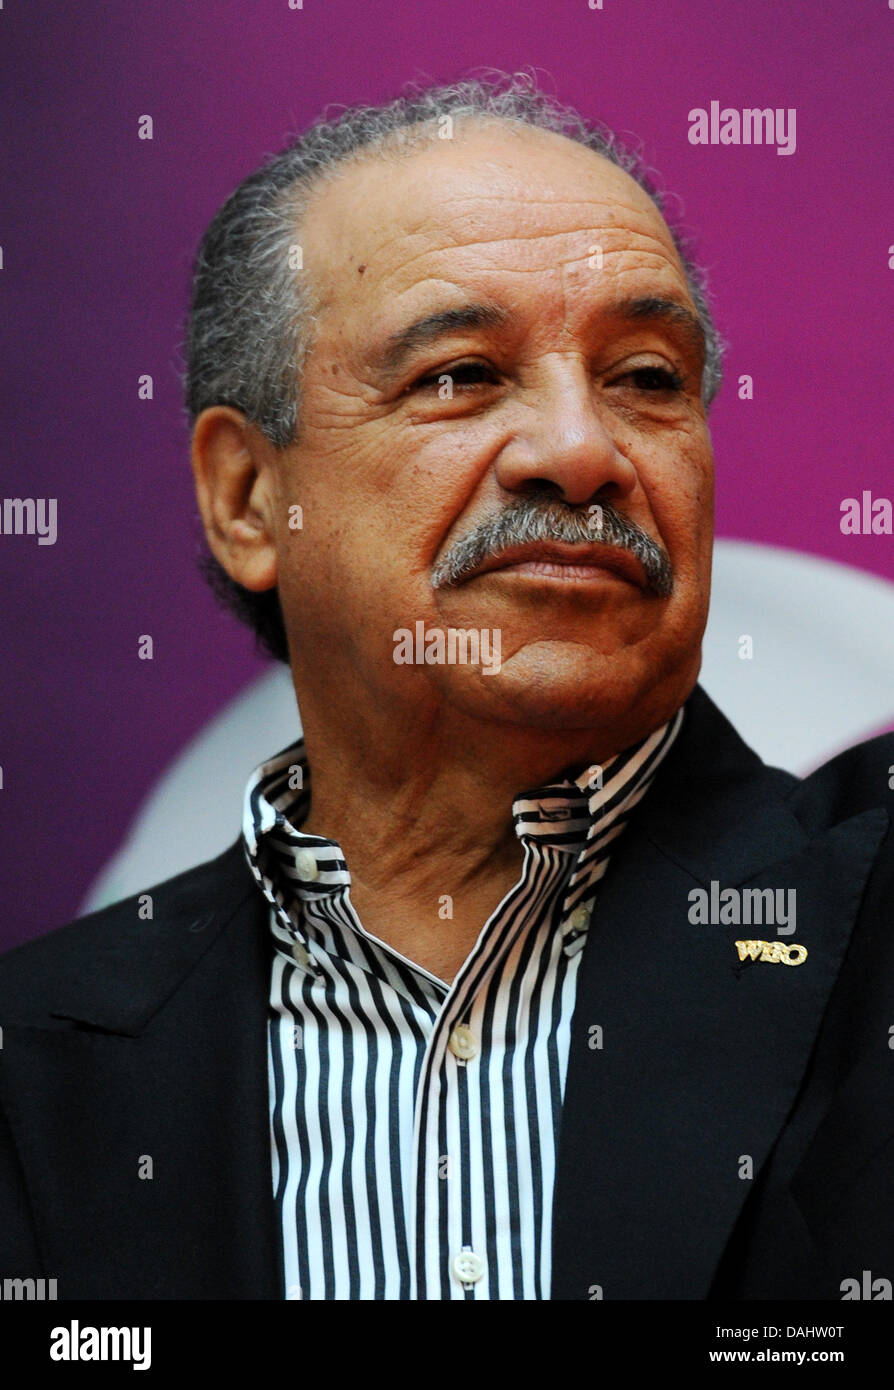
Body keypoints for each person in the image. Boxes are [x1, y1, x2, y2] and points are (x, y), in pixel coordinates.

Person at [1, 74, 892, 1302]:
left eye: (646, 376)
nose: (583, 451)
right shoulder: (35, 1067)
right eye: (461, 376)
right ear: (250, 499)